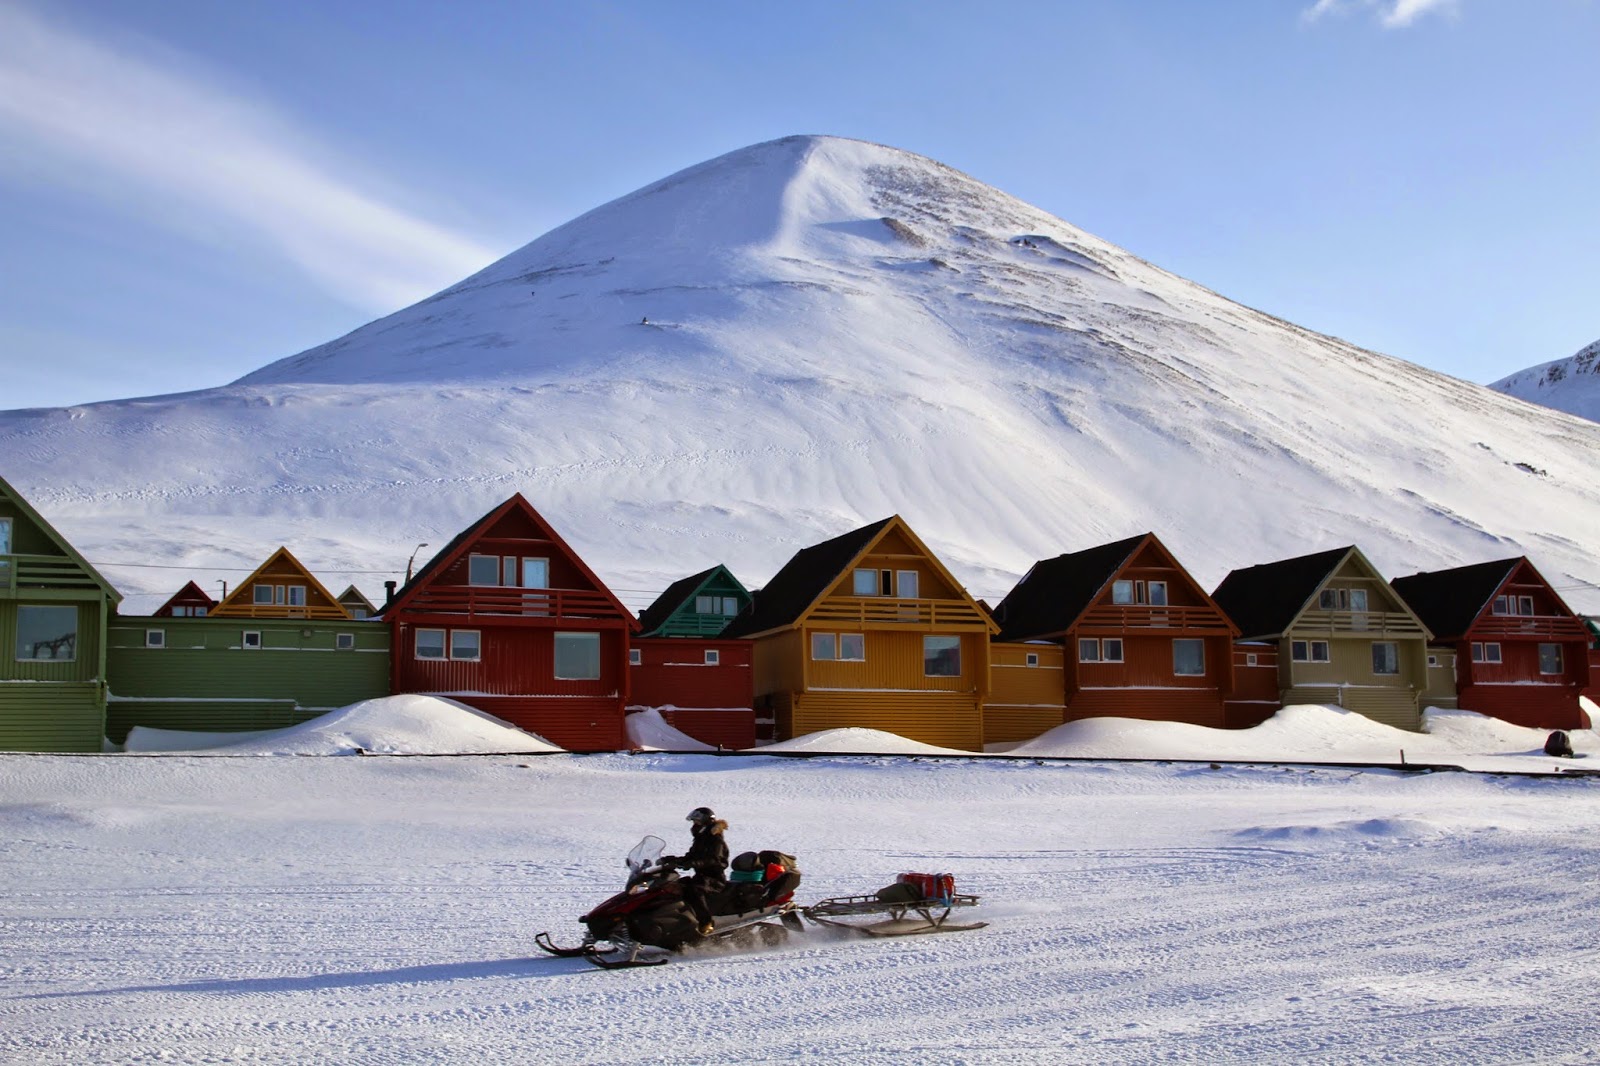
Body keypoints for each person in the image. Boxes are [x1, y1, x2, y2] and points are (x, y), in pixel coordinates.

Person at [666, 806, 728, 937]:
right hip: (701, 876)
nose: (695, 825)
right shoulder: (701, 839)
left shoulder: (716, 840)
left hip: (714, 879)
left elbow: (714, 860)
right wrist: (673, 860)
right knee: (676, 886)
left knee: (695, 890)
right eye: (694, 822)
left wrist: (693, 863)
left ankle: (706, 922)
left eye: (697, 822)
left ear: (706, 822)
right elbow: (691, 856)